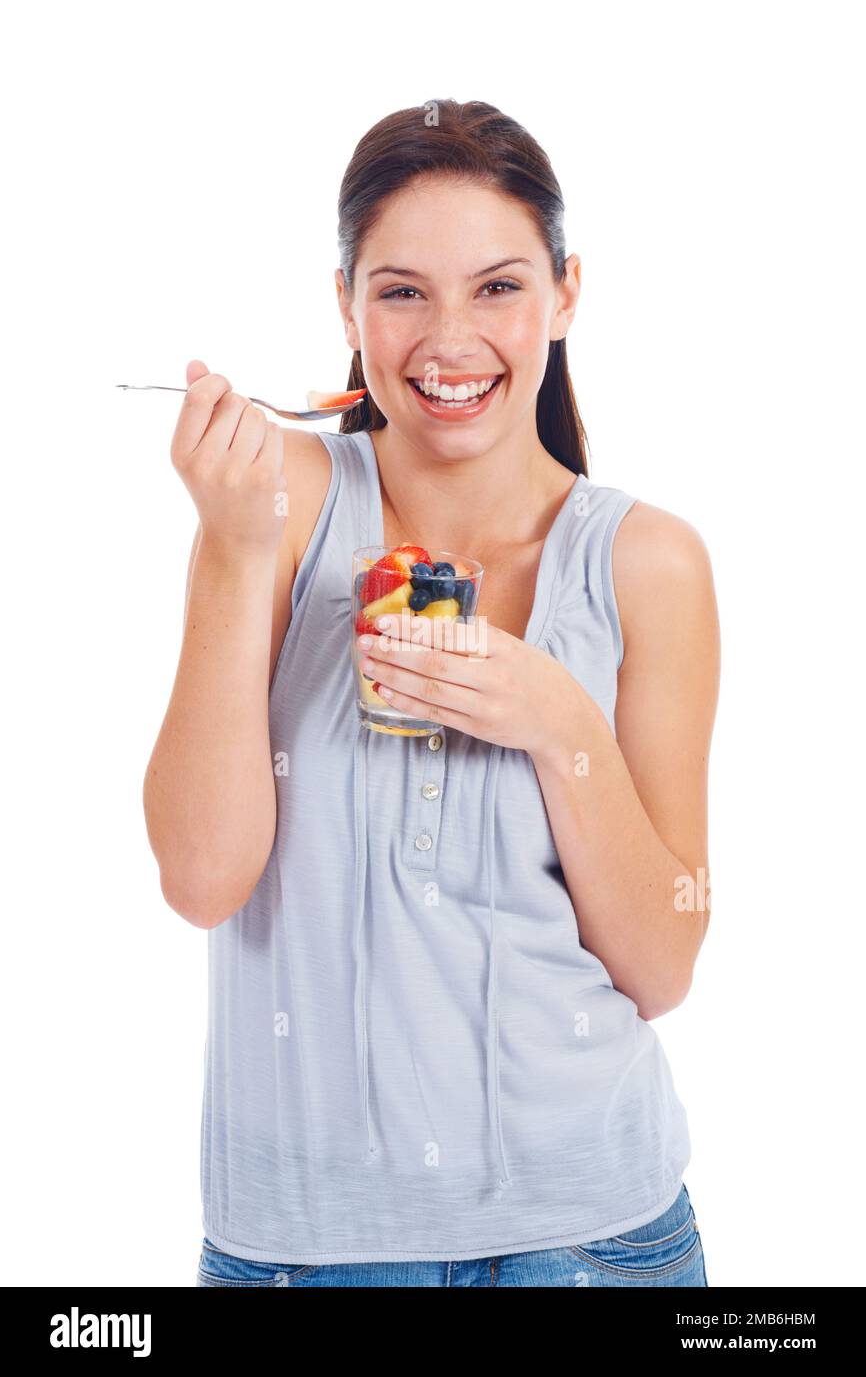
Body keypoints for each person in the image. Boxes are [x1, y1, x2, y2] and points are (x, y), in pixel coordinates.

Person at [143, 98, 719, 1288]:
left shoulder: (645, 562)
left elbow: (661, 966)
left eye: (497, 288)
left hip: (593, 1238)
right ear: (344, 306)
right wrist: (239, 552)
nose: (448, 341)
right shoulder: (278, 507)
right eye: (401, 291)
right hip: (302, 1248)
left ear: (565, 294)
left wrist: (553, 718)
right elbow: (202, 879)